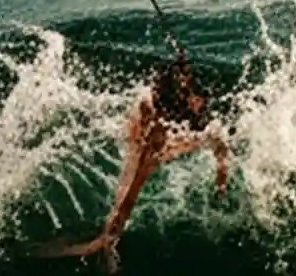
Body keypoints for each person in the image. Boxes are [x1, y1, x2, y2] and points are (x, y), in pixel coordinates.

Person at [37, 54, 232, 273]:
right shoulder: (153, 129)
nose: (199, 102)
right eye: (192, 97)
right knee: (137, 171)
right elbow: (132, 189)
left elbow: (217, 140)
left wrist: (221, 180)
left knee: (215, 135)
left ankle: (106, 238)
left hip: (162, 107)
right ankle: (104, 241)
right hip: (145, 128)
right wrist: (111, 235)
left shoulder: (186, 104)